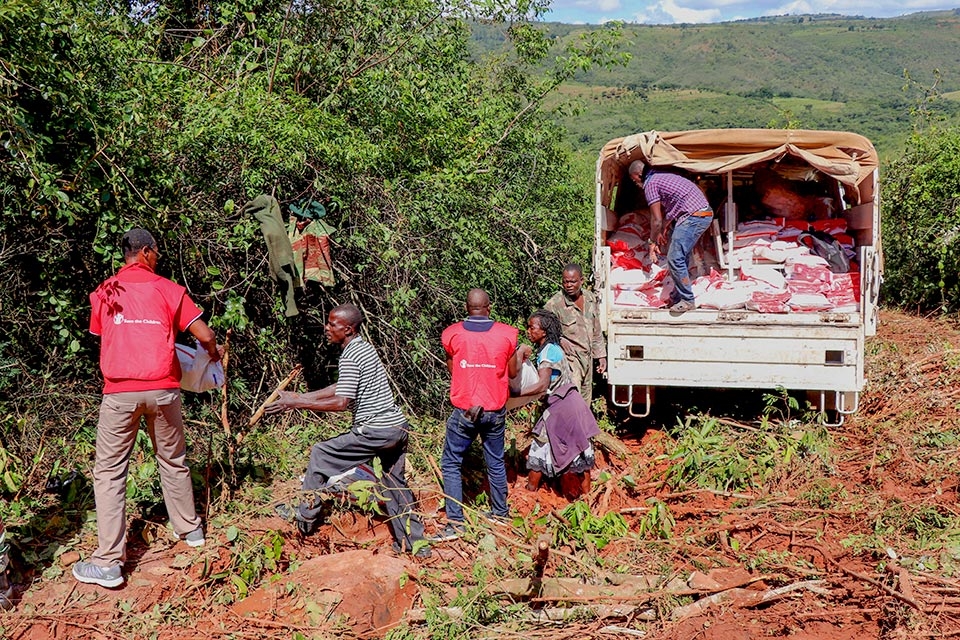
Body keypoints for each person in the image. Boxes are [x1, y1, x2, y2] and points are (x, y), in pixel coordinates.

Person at [75, 228, 220, 589]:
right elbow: (204, 335)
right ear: (145, 252)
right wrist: (214, 357)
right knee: (173, 459)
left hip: (120, 391)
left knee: (109, 472)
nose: (158, 258)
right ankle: (190, 530)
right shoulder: (168, 289)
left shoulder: (104, 292)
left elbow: (103, 335)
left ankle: (109, 562)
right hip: (164, 390)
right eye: (156, 253)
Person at [265, 304, 430, 557]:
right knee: (396, 486)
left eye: (332, 324)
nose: (327, 328)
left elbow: (342, 402)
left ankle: (304, 517)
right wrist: (299, 396)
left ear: (348, 328)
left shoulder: (352, 354)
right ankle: (415, 547)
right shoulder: (363, 348)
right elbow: (341, 387)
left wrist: (296, 403)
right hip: (396, 428)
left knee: (320, 454)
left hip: (375, 431)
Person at [432, 289, 519, 541]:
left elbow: (453, 369)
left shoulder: (452, 334)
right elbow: (512, 373)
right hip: (494, 410)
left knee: (450, 463)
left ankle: (455, 524)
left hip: (465, 411)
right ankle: (500, 514)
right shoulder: (507, 334)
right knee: (494, 460)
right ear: (488, 307)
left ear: (467, 307)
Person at [517, 310, 599, 498]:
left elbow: (542, 385)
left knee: (540, 443)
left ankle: (530, 494)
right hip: (571, 404)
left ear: (544, 331)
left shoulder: (548, 352)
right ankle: (587, 497)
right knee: (580, 446)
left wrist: (513, 394)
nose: (528, 331)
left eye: (532, 327)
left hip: (561, 407)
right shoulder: (552, 347)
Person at [628, 160, 714, 313]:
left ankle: (687, 300)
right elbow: (669, 211)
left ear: (637, 175)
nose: (635, 184)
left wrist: (652, 242)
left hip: (694, 215)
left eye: (633, 181)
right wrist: (663, 229)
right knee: (681, 256)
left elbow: (656, 220)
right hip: (699, 213)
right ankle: (678, 295)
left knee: (674, 258)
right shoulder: (660, 177)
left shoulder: (651, 184)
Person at [544, 264, 607, 406]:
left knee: (585, 403)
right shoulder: (555, 304)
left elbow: (596, 329)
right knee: (571, 399)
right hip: (570, 360)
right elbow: (542, 330)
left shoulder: (590, 298)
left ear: (581, 281)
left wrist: (601, 356)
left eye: (572, 281)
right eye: (565, 281)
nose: (568, 285)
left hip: (588, 359)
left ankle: (581, 428)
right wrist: (559, 339)